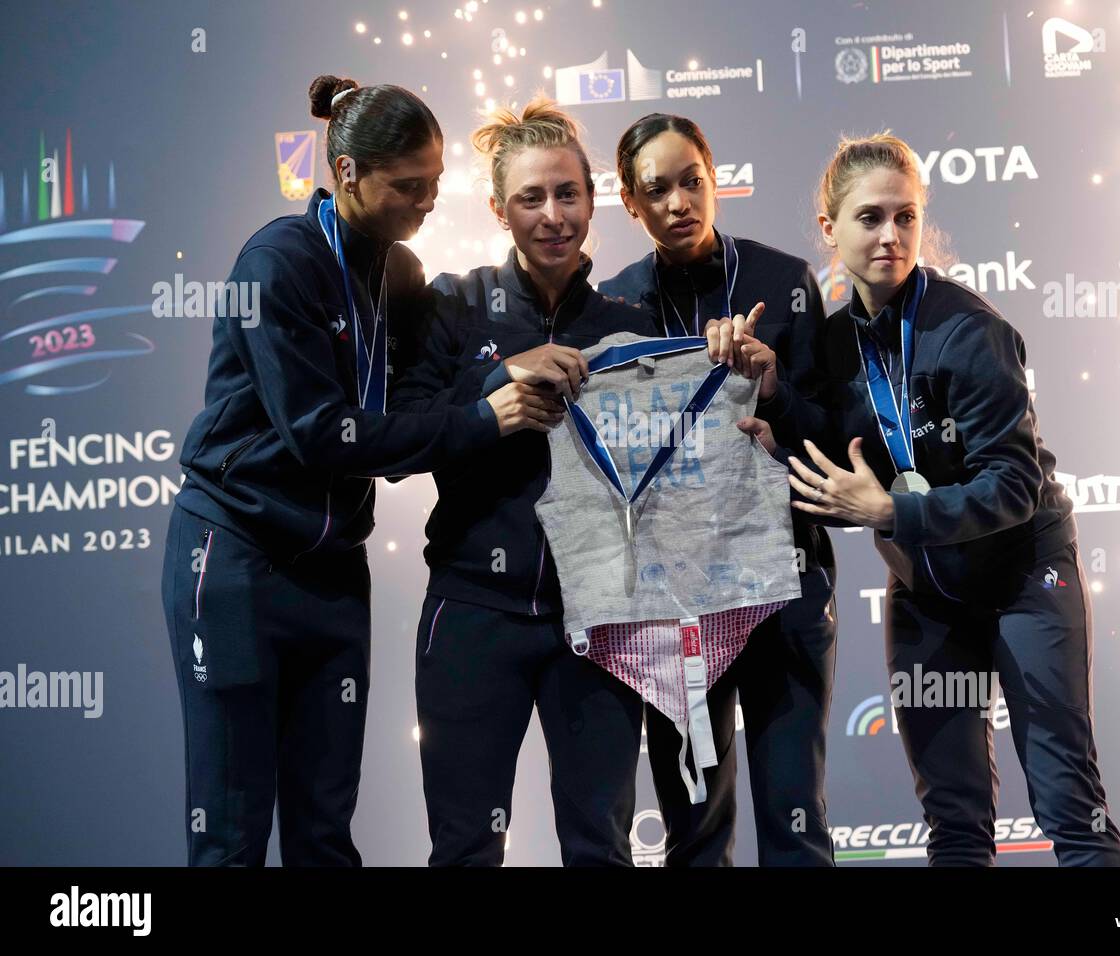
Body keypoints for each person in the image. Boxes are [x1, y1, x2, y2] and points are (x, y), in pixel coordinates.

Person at [161, 75, 543, 866]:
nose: (428, 202)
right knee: (229, 833)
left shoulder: (398, 273)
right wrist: (479, 421)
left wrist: (499, 376)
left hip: (334, 570)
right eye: (409, 186)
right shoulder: (277, 264)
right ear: (344, 174)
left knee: (325, 833)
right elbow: (324, 436)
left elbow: (411, 401)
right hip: (237, 559)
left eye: (436, 185)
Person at [759, 133, 1120, 866]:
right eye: (870, 218)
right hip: (927, 591)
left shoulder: (972, 330)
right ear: (830, 229)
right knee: (955, 820)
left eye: (906, 217)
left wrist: (898, 514)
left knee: (1066, 804)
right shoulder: (831, 344)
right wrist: (775, 399)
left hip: (1025, 579)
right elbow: (834, 448)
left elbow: (1015, 485)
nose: (891, 236)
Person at [387, 97, 663, 866]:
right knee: (467, 847)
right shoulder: (452, 304)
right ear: (499, 211)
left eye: (567, 194)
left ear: (592, 199)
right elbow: (401, 441)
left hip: (599, 621)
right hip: (473, 613)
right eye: (531, 198)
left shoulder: (630, 324)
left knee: (600, 847)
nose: (552, 216)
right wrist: (498, 383)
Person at [598, 113, 837, 866]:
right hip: (677, 602)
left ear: (714, 177)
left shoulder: (784, 281)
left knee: (794, 815)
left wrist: (771, 393)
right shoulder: (614, 307)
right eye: (656, 190)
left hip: (786, 583)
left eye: (691, 180)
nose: (678, 202)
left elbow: (828, 439)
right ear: (631, 206)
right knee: (694, 831)